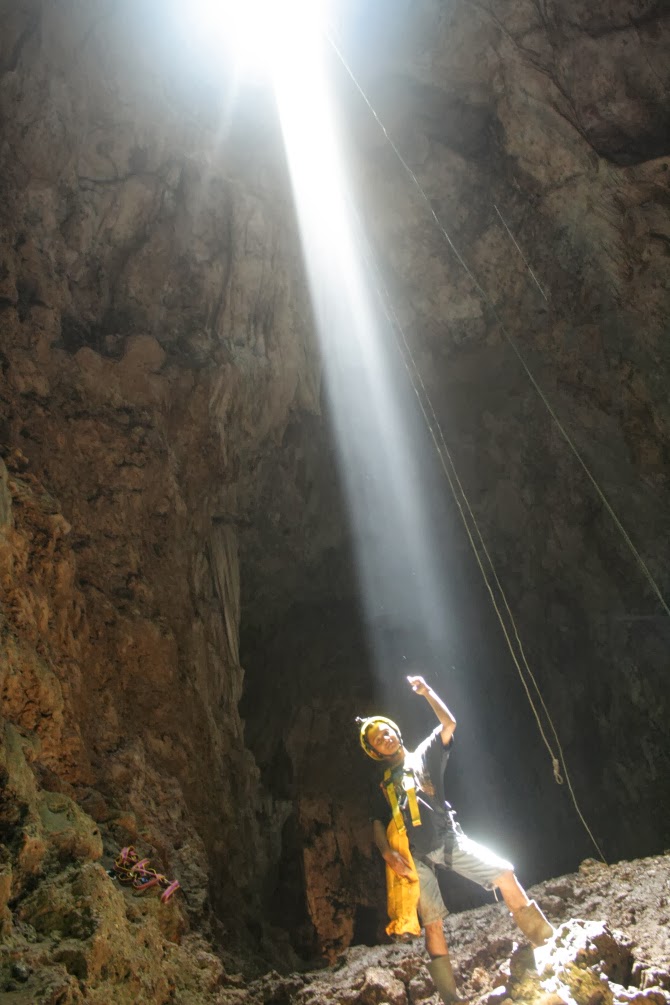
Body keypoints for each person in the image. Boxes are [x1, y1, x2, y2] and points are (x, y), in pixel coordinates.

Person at [358, 675, 554, 1005]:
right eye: (378, 739)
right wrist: (386, 851)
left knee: (504, 872)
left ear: (396, 732)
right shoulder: (382, 786)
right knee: (432, 925)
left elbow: (449, 723)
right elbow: (377, 822)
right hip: (414, 855)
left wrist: (427, 692)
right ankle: (451, 998)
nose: (385, 738)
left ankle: (544, 942)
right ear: (374, 751)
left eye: (386, 731)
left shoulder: (424, 754)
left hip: (446, 840)